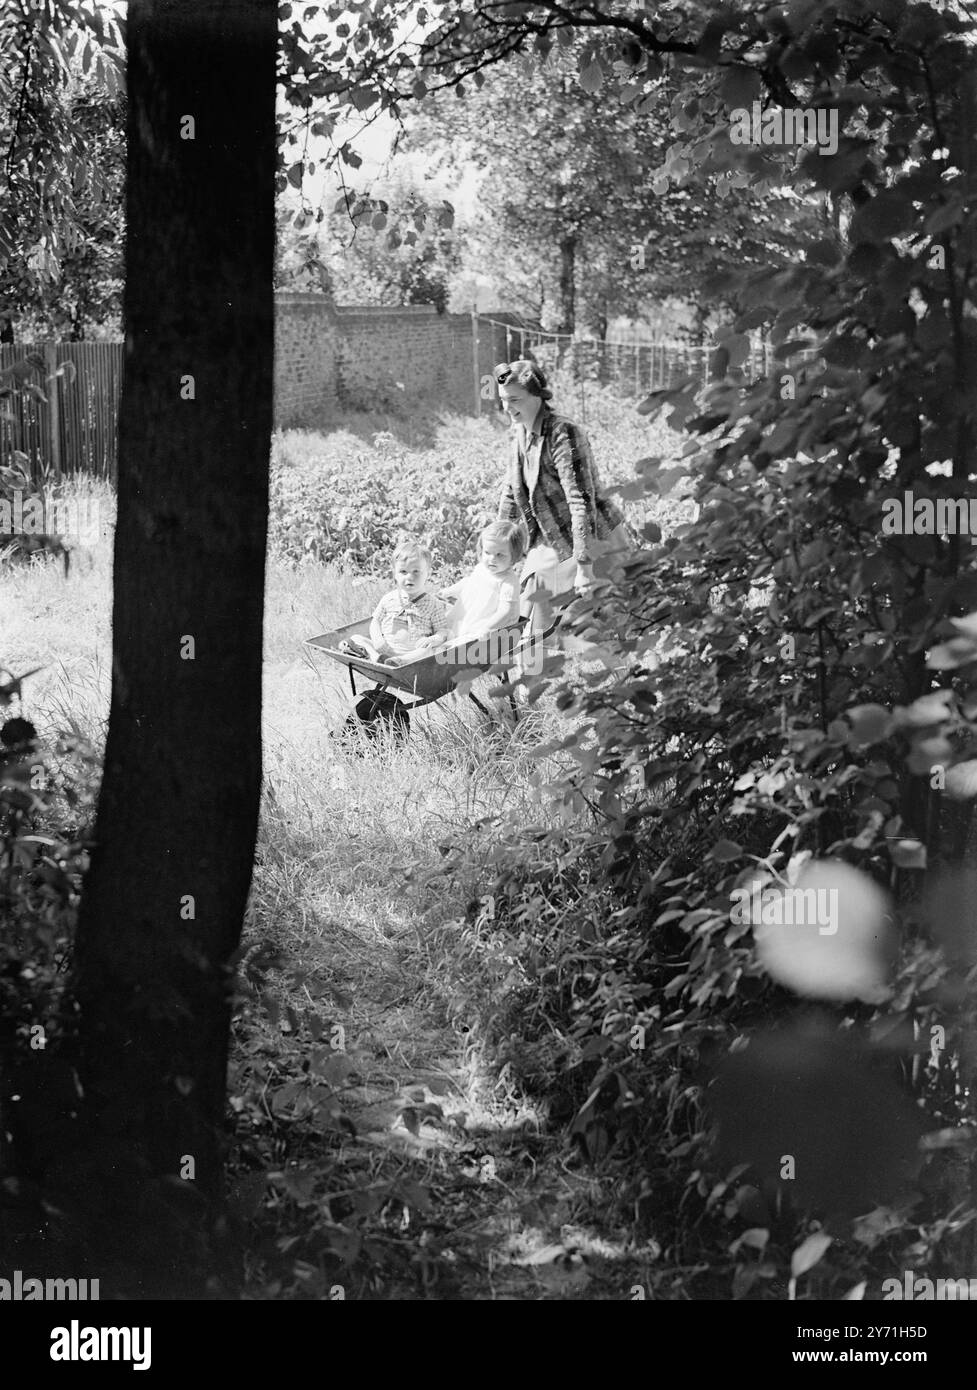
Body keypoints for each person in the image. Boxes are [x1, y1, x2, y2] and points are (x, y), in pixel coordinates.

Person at [494, 359, 632, 620]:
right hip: (553, 542)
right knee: (529, 626)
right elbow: (511, 492)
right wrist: (495, 545)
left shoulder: (563, 433)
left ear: (537, 396)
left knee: (605, 633)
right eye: (503, 400)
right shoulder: (521, 433)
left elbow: (580, 501)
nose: (507, 408)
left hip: (594, 540)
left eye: (514, 400)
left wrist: (584, 567)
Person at [339, 542, 444, 665]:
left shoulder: (434, 604)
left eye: (416, 571)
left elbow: (442, 630)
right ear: (395, 573)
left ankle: (400, 661)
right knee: (356, 638)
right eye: (403, 572)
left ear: (428, 573)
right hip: (386, 649)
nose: (409, 577)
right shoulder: (389, 599)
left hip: (414, 655)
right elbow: (375, 621)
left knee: (430, 650)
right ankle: (376, 657)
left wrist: (435, 638)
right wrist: (378, 640)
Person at [432, 519, 525, 648]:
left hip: (489, 625)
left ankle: (447, 649)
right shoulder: (481, 568)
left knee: (459, 643)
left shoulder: (509, 582)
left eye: (500, 555)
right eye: (487, 552)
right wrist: (447, 592)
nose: (492, 559)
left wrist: (488, 627)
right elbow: (468, 583)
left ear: (513, 557)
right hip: (470, 616)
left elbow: (506, 611)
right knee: (445, 626)